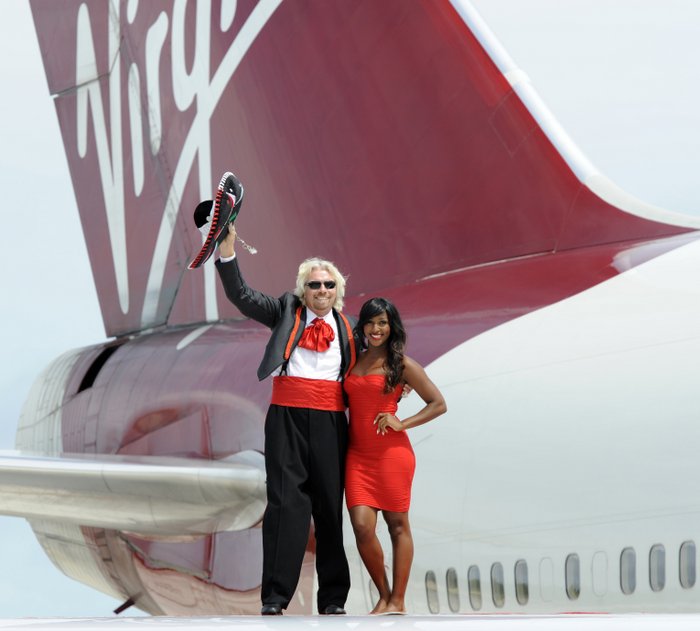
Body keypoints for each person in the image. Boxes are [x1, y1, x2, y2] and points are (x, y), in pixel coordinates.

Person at [215, 224, 358, 616]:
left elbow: (385, 355)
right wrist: (227, 251)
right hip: (287, 418)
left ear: (337, 291)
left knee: (330, 509)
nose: (322, 291)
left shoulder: (349, 329)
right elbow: (241, 296)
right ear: (302, 290)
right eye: (314, 285)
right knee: (285, 506)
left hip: (331, 421)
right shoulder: (284, 311)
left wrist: (407, 385)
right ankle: (275, 598)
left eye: (329, 285)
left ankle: (333, 600)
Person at [344, 297, 447, 615]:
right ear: (362, 326)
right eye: (371, 323)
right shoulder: (352, 360)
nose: (376, 329)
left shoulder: (400, 364)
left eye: (383, 323)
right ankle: (384, 594)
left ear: (392, 327)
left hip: (391, 453)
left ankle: (397, 601)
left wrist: (402, 421)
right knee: (362, 526)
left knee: (397, 525)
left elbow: (438, 402)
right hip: (358, 455)